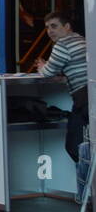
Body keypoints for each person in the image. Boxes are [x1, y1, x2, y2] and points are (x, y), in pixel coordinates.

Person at [34, 11, 88, 163]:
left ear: (67, 27)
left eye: (54, 26)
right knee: (85, 144)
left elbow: (47, 72)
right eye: (47, 28)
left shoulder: (62, 45)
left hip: (83, 100)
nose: (50, 31)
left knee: (74, 146)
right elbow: (79, 68)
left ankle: (85, 184)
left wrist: (42, 66)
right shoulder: (80, 39)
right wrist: (64, 77)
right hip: (89, 96)